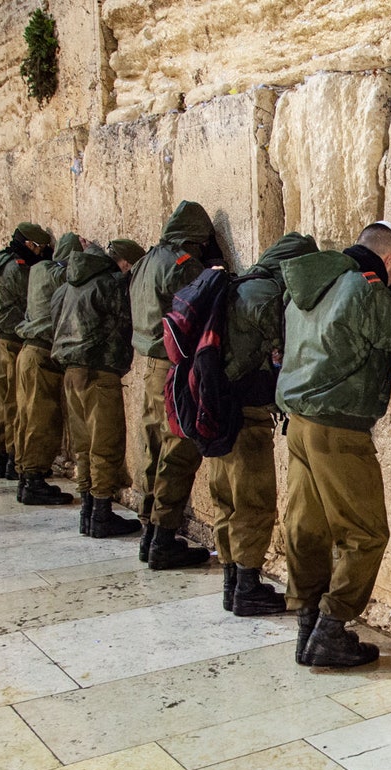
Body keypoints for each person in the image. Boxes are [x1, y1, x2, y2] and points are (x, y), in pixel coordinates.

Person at [276, 222, 391, 667]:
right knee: (365, 534)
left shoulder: (310, 285)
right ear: (388, 262)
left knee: (306, 528)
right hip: (338, 429)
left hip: (301, 422)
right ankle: (331, 628)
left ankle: (308, 627)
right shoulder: (363, 289)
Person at [210, 231, 317, 616]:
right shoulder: (267, 295)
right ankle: (247, 586)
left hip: (219, 408)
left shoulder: (239, 285)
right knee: (253, 502)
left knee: (225, 498)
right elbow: (288, 344)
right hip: (247, 413)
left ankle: (231, 581)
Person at [129, 200, 225, 569]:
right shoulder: (182, 264)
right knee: (178, 452)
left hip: (150, 364)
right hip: (174, 368)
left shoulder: (146, 260)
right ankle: (164, 538)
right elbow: (198, 303)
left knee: (152, 447)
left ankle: (149, 532)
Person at [54, 239, 145, 538]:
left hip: (70, 371)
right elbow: (124, 324)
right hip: (99, 372)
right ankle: (102, 515)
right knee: (105, 445)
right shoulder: (111, 284)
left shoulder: (71, 283)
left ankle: (88, 513)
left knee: (82, 445)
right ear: (122, 262)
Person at [10, 233, 82, 503]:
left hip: (28, 351)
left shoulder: (39, 269)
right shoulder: (59, 277)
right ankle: (34, 481)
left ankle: (26, 476)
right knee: (43, 420)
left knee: (27, 416)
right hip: (42, 355)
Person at [0, 223, 54, 475]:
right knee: (15, 401)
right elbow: (30, 298)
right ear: (30, 245)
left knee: (3, 398)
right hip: (15, 339)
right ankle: (13, 455)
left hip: (4, 338)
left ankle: (2, 455)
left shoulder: (2, 261)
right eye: (40, 248)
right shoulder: (18, 267)